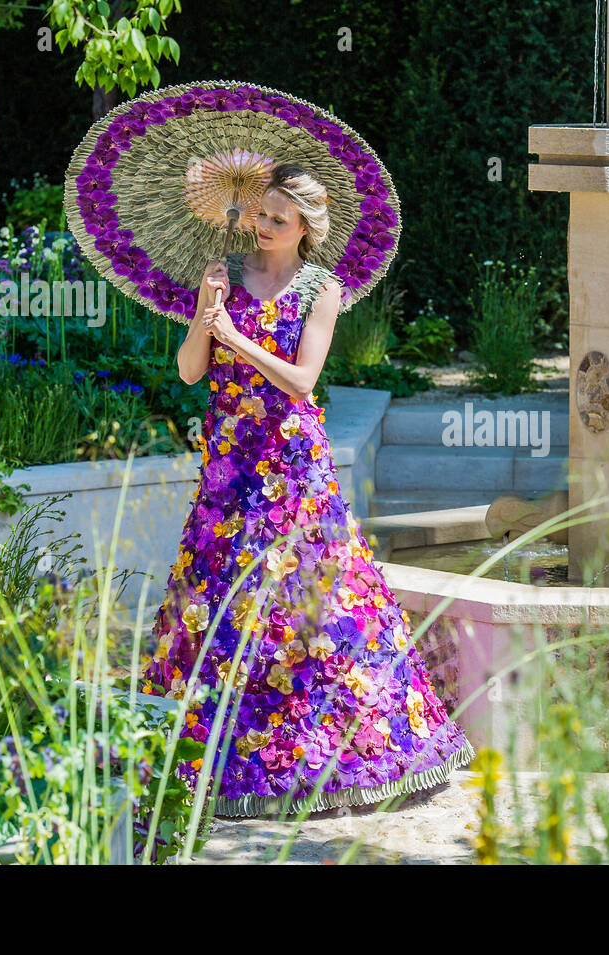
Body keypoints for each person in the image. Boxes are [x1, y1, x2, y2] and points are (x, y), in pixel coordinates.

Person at [142, 164, 474, 815]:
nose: (262, 227)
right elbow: (188, 372)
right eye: (259, 214)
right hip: (230, 466)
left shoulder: (322, 288)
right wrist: (206, 317)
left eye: (277, 219)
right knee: (217, 599)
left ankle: (324, 741)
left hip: (292, 466)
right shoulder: (225, 277)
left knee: (320, 599)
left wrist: (238, 336)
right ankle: (212, 744)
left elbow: (301, 380)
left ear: (305, 229)